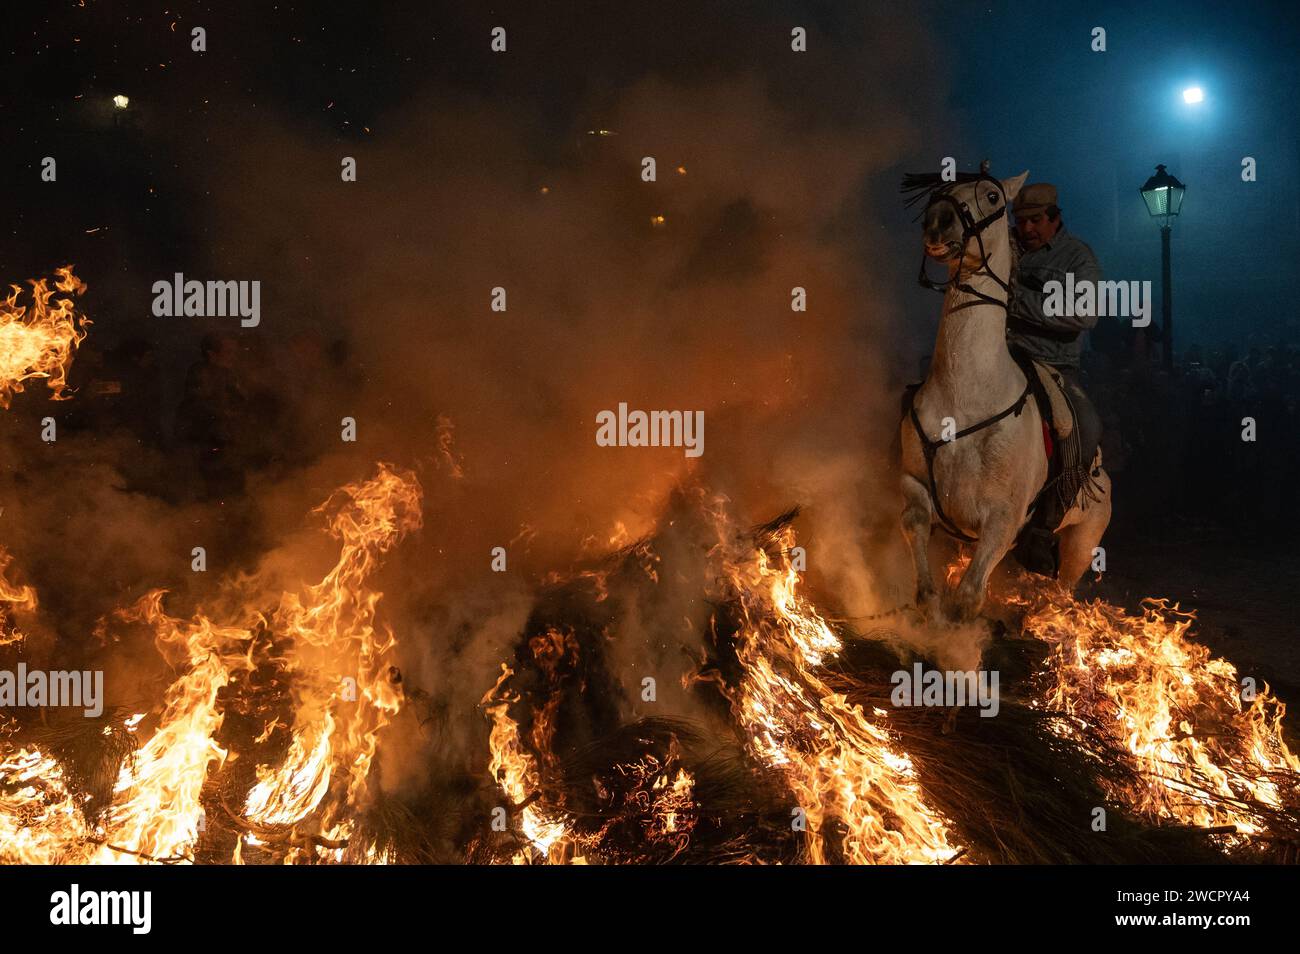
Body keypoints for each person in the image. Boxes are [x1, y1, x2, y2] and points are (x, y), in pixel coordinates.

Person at [1005, 183, 1104, 575]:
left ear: (1054, 218)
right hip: (999, 359)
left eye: (1035, 220)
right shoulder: (1005, 245)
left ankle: (1042, 529)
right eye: (1021, 220)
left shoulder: (1077, 256)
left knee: (1086, 427)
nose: (1026, 228)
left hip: (1052, 365)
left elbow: (1085, 314)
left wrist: (1014, 300)